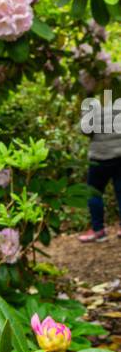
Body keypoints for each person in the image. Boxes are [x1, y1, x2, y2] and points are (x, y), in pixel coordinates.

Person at [80, 91, 121, 242]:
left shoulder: (92, 100)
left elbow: (86, 130)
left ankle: (98, 230)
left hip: (101, 156)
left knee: (94, 193)